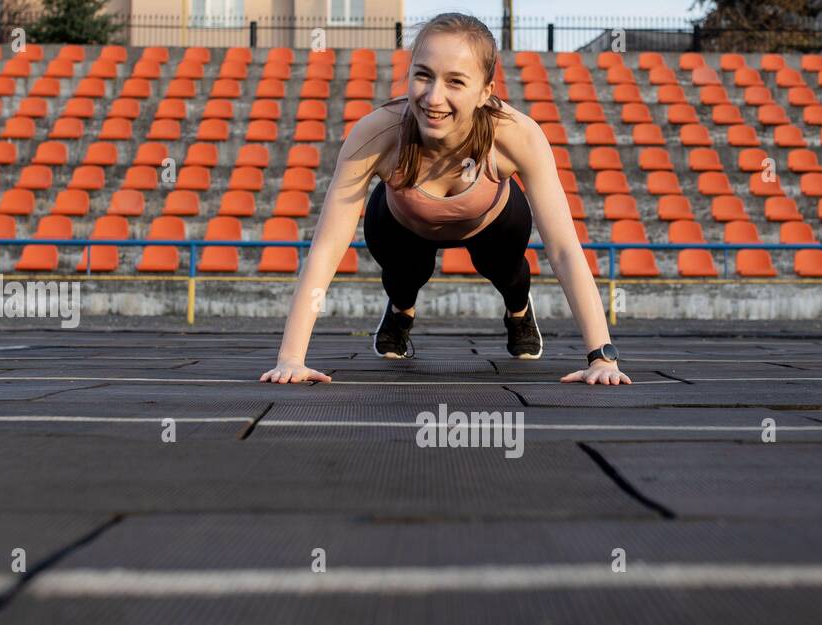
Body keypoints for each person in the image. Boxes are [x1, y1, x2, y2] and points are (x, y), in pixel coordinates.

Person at [261, 12, 632, 386]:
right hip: (402, 223)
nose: (433, 97)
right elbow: (326, 248)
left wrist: (601, 357)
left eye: (455, 81)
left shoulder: (516, 135)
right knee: (404, 276)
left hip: (491, 220)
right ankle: (401, 311)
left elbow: (565, 249)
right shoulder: (376, 134)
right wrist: (291, 357)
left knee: (508, 271)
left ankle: (518, 312)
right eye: (423, 75)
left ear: (486, 90)